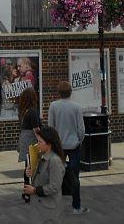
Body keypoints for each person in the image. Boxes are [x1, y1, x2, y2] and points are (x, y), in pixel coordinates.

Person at [48, 80, 87, 215]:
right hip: (74, 145)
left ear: (59, 92)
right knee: (75, 176)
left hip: (59, 147)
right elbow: (81, 129)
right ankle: (76, 206)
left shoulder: (53, 106)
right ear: (70, 92)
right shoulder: (76, 107)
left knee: (56, 176)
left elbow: (51, 127)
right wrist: (79, 140)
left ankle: (55, 206)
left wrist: (53, 144)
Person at [23, 125, 66, 224]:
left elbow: (55, 186)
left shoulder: (54, 161)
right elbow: (40, 177)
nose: (38, 144)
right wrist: (29, 173)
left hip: (49, 211)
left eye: (40, 142)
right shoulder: (41, 156)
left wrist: (34, 190)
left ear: (49, 143)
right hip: (40, 208)